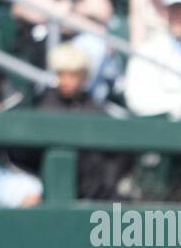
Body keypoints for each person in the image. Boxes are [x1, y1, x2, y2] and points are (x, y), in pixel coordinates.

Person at [33, 42, 131, 200]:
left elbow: (118, 156)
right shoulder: (45, 105)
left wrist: (106, 182)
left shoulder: (96, 110)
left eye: (72, 75)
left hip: (96, 192)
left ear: (84, 77)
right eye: (61, 74)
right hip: (51, 187)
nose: (66, 81)